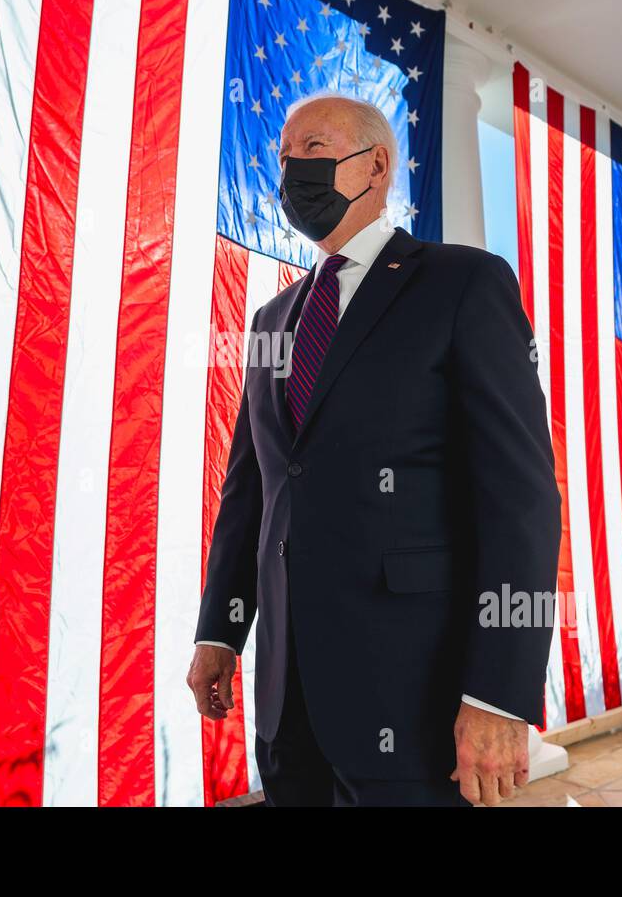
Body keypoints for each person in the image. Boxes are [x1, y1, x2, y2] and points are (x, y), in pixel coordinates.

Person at [186, 92, 561, 807]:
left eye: (315, 151)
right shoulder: (271, 318)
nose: (293, 169)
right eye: (285, 157)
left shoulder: (463, 283)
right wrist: (222, 631)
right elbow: (254, 493)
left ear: (377, 166)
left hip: (416, 696)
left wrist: (499, 694)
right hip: (286, 698)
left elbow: (521, 500)